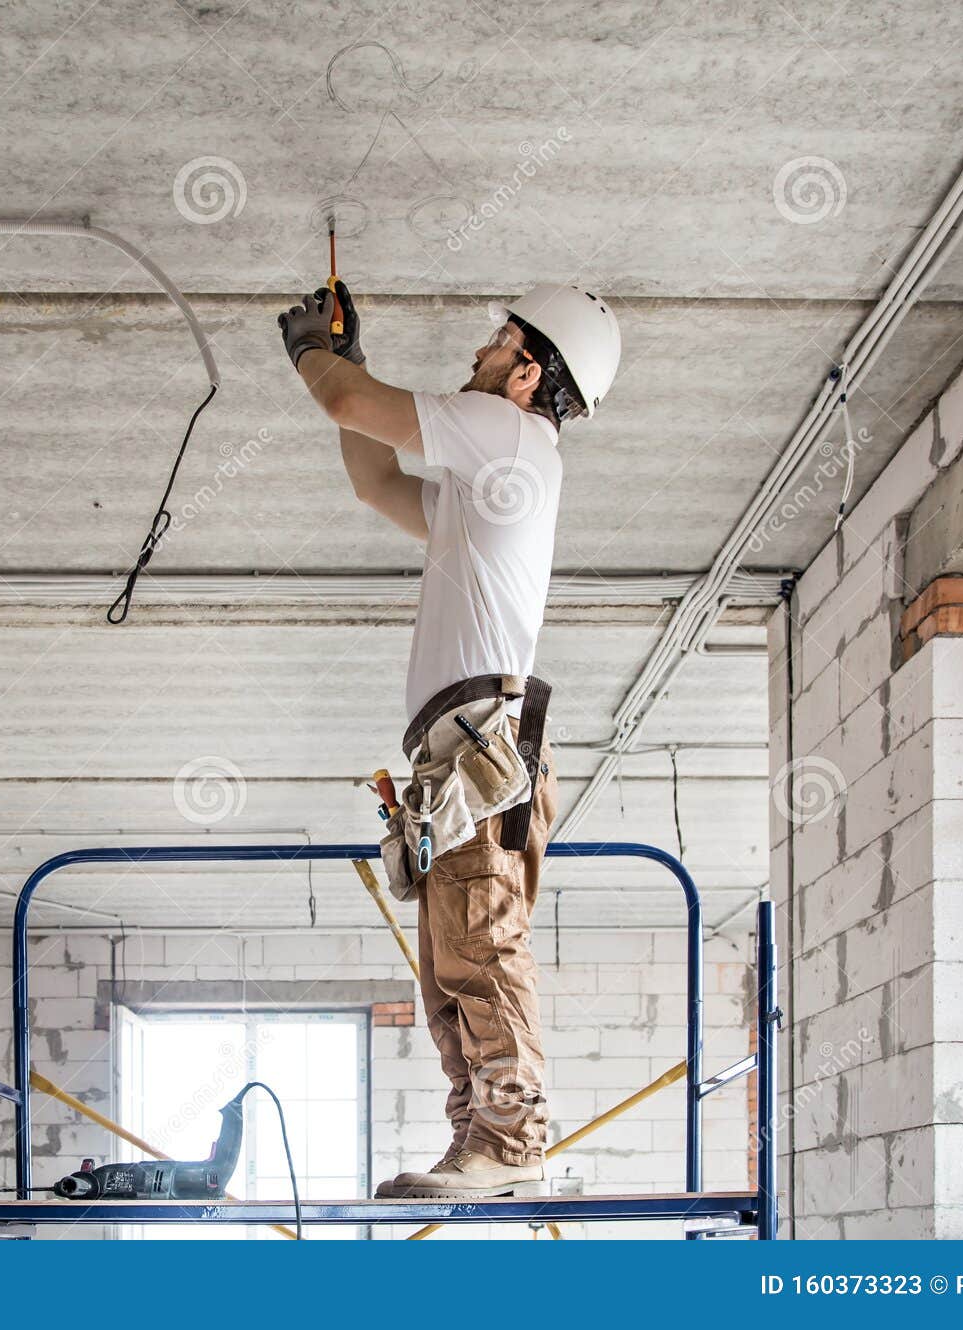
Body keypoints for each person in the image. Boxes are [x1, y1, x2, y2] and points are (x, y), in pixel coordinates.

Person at [278, 281, 621, 1198]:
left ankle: (511, 1145)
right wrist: (343, 365)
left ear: (528, 372)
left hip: (479, 748)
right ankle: (481, 1135)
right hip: (455, 757)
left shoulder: (510, 437)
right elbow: (374, 476)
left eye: (496, 343)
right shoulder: (486, 486)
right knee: (451, 965)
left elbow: (352, 408)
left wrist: (319, 357)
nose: (477, 353)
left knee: (480, 944)